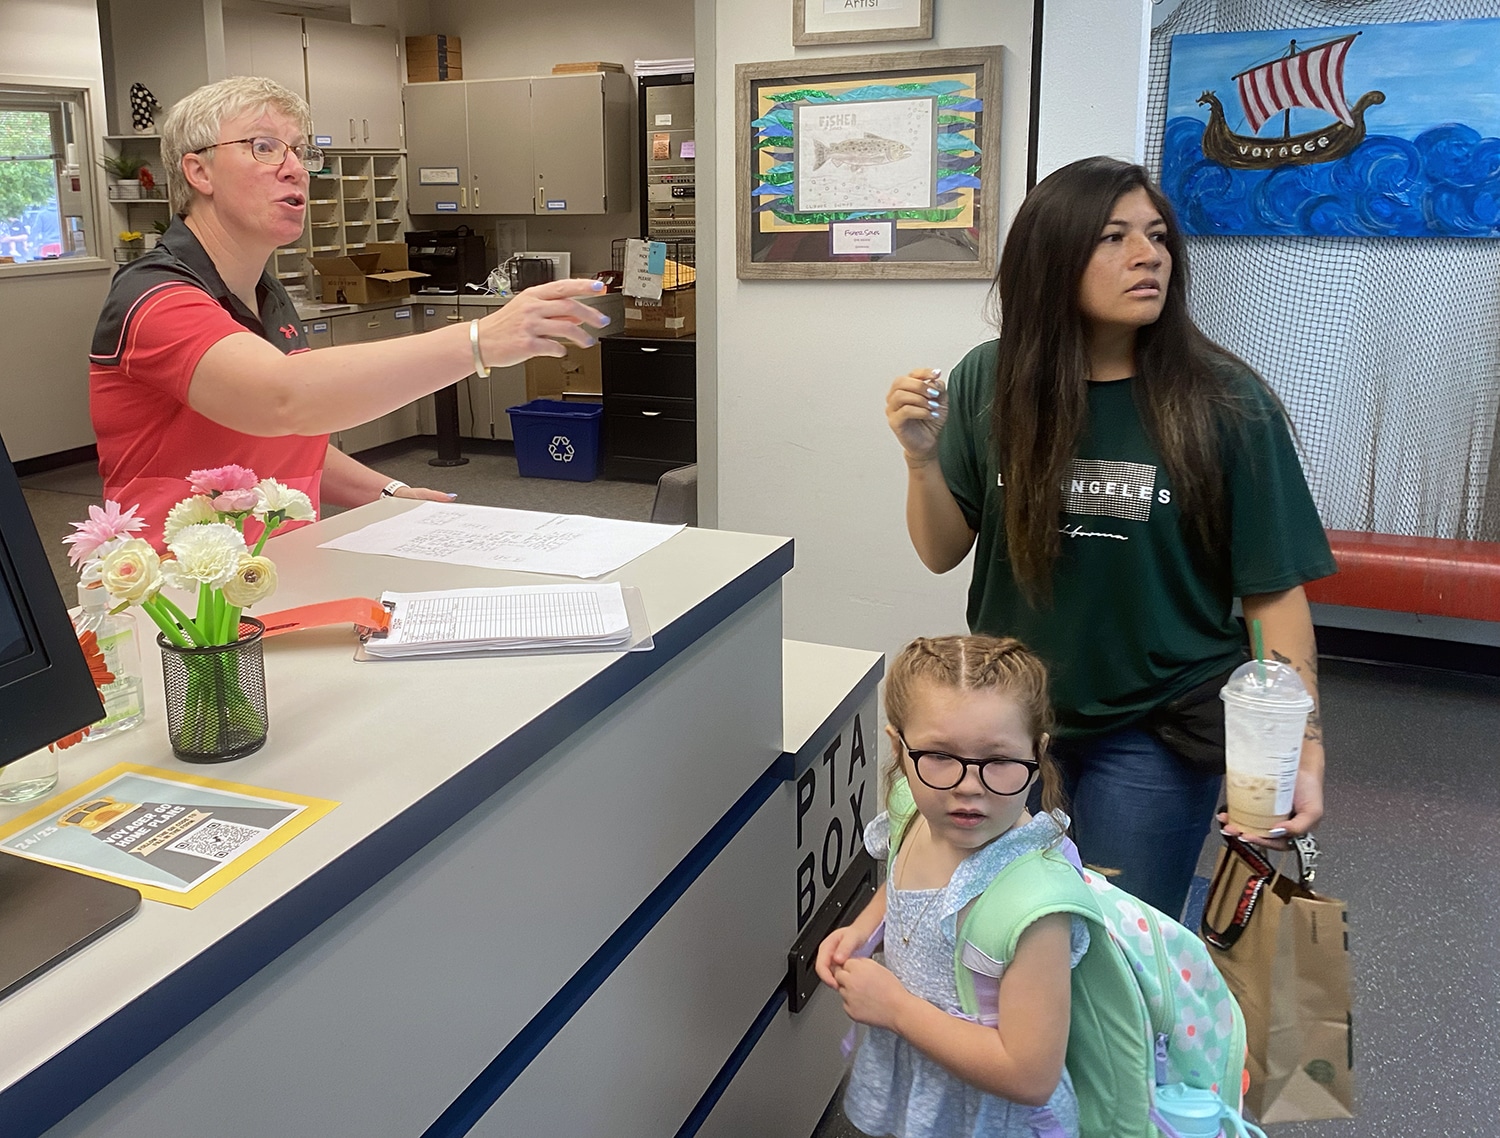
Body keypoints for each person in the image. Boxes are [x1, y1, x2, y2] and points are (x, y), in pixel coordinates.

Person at [883, 157, 1336, 919]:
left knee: (1123, 944)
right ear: (1052, 258)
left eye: (1157, 237)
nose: (1148, 254)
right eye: (1115, 237)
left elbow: (1272, 591)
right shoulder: (988, 382)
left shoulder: (1225, 401)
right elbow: (942, 550)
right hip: (1009, 721)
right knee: (1002, 923)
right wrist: (921, 458)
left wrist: (1305, 746)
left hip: (1152, 727)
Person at [89, 76, 610, 547]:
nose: (294, 168)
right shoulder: (155, 297)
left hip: (274, 569)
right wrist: (478, 340)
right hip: (176, 608)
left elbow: (289, 442)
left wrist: (388, 493)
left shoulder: (264, 293)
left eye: (300, 151)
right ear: (198, 171)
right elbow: (284, 399)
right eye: (264, 147)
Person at [816, 634, 1087, 1138]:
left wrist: (897, 1009)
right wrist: (863, 931)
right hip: (922, 1088)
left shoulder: (1034, 905)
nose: (967, 786)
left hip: (992, 1119)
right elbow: (902, 882)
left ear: (1037, 752)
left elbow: (1030, 1076)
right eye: (939, 755)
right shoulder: (912, 808)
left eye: (1000, 760)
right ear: (899, 748)